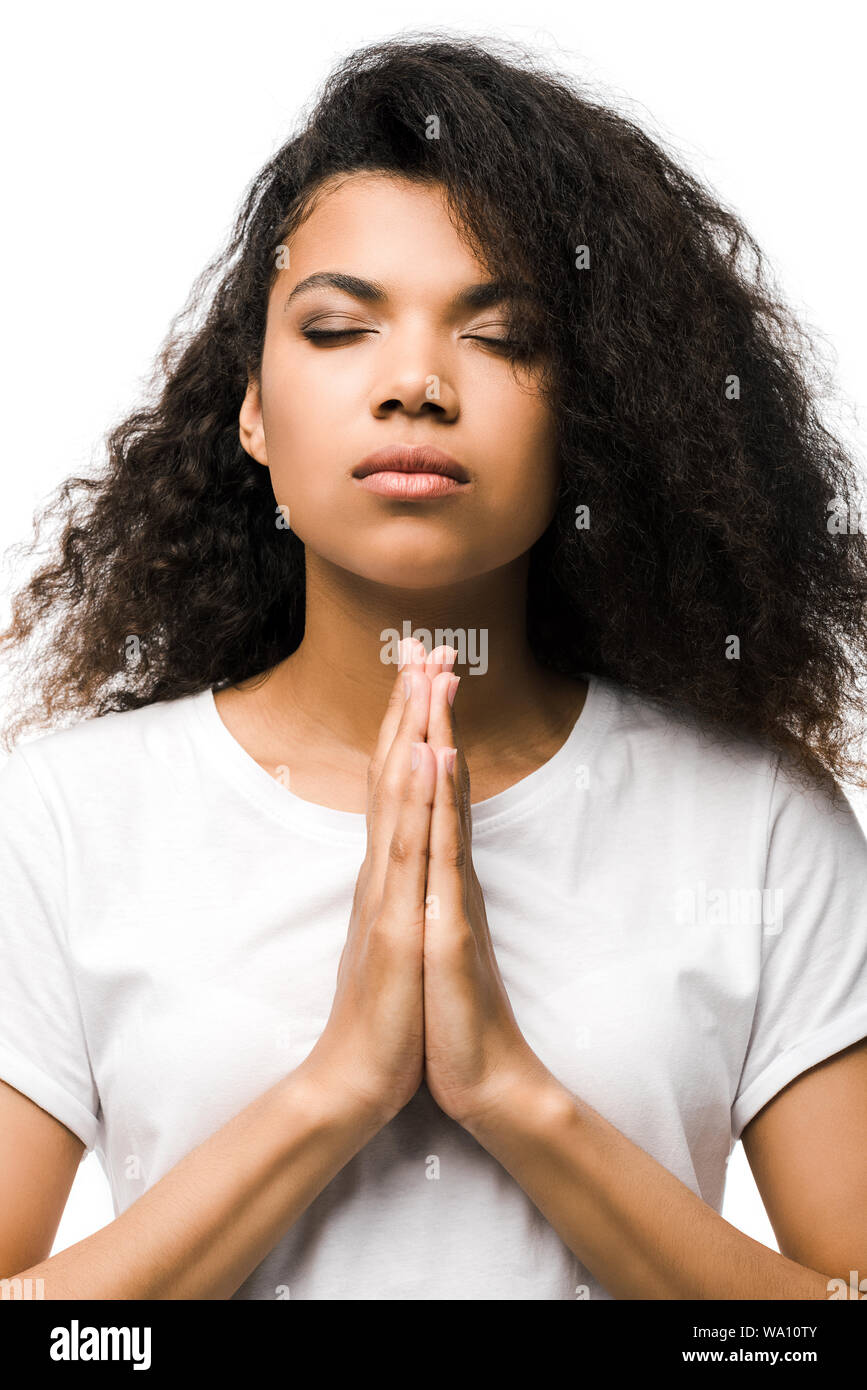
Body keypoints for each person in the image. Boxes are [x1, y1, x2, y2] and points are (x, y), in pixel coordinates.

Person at [1, 34, 866, 1301]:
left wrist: (511, 1095)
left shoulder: (757, 825)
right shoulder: (67, 822)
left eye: (503, 335)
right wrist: (335, 1089)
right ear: (252, 407)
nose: (415, 382)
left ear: (592, 412)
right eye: (341, 327)